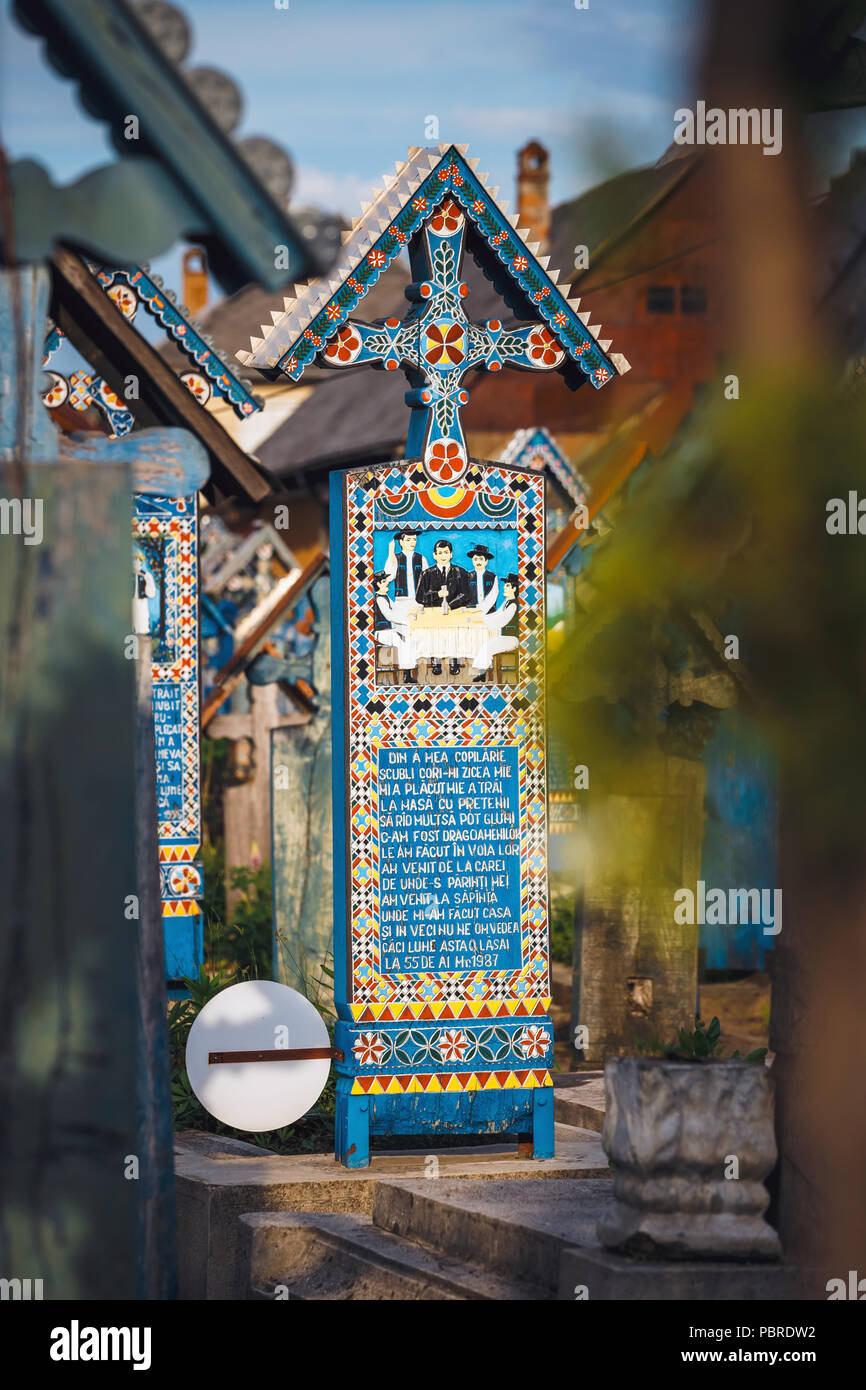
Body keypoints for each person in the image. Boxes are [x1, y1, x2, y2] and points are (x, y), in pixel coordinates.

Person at [414, 538, 469, 675]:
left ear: (451, 554)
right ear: (434, 555)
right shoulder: (426, 574)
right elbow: (420, 597)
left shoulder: (460, 572)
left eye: (446, 552)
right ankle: (436, 663)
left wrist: (451, 605)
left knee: (453, 636)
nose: (443, 556)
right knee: (435, 636)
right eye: (440, 553)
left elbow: (466, 595)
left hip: (454, 612)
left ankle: (453, 663)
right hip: (434, 613)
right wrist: (437, 594)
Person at [470, 574, 519, 682]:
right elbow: (496, 614)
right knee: (483, 644)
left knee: (487, 647)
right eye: (505, 585)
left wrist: (481, 620)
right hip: (505, 637)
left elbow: (502, 619)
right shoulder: (507, 602)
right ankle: (482, 673)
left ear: (514, 589)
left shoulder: (513, 605)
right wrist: (481, 617)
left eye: (508, 586)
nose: (505, 588)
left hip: (512, 639)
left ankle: (483, 673)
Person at [372, 571, 416, 683]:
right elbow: (389, 615)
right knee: (402, 641)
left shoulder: (385, 596)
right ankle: (406, 674)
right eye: (384, 581)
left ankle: (408, 672)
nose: (387, 583)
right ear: (378, 584)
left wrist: (410, 610)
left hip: (388, 630)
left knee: (409, 637)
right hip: (381, 632)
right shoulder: (380, 599)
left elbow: (396, 608)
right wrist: (405, 621)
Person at [384, 527, 428, 608]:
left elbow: (427, 580)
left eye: (414, 539)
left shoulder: (421, 558)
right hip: (401, 600)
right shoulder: (396, 558)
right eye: (408, 540)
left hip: (419, 600)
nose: (412, 542)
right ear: (401, 542)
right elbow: (388, 577)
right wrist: (391, 554)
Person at [466, 544, 498, 614]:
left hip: (489, 613)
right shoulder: (467, 576)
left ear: (486, 562)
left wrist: (479, 609)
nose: (478, 562)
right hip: (471, 612)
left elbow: (493, 597)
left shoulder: (492, 577)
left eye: (481, 559)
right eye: (476, 559)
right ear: (472, 561)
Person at [132, 550, 157, 636]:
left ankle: (143, 632)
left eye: (139, 561)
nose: (137, 563)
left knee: (142, 615)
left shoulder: (146, 575)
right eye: (135, 561)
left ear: (141, 563)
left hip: (142, 600)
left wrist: (147, 587)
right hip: (132, 599)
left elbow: (151, 590)